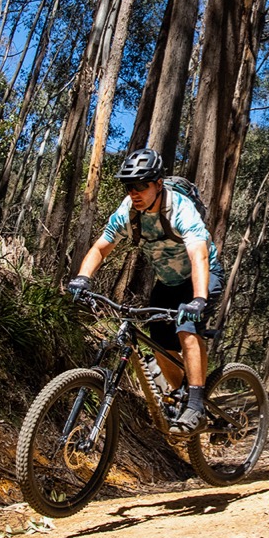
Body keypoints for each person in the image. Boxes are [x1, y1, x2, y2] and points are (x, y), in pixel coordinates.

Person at [65, 147, 221, 431]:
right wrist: (82, 278)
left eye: (141, 185)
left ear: (158, 184)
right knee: (161, 344)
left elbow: (199, 254)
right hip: (168, 281)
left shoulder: (180, 209)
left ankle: (196, 406)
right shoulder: (128, 211)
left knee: (186, 328)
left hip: (202, 276)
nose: (134, 192)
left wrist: (199, 299)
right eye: (129, 186)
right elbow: (101, 247)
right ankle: (182, 394)